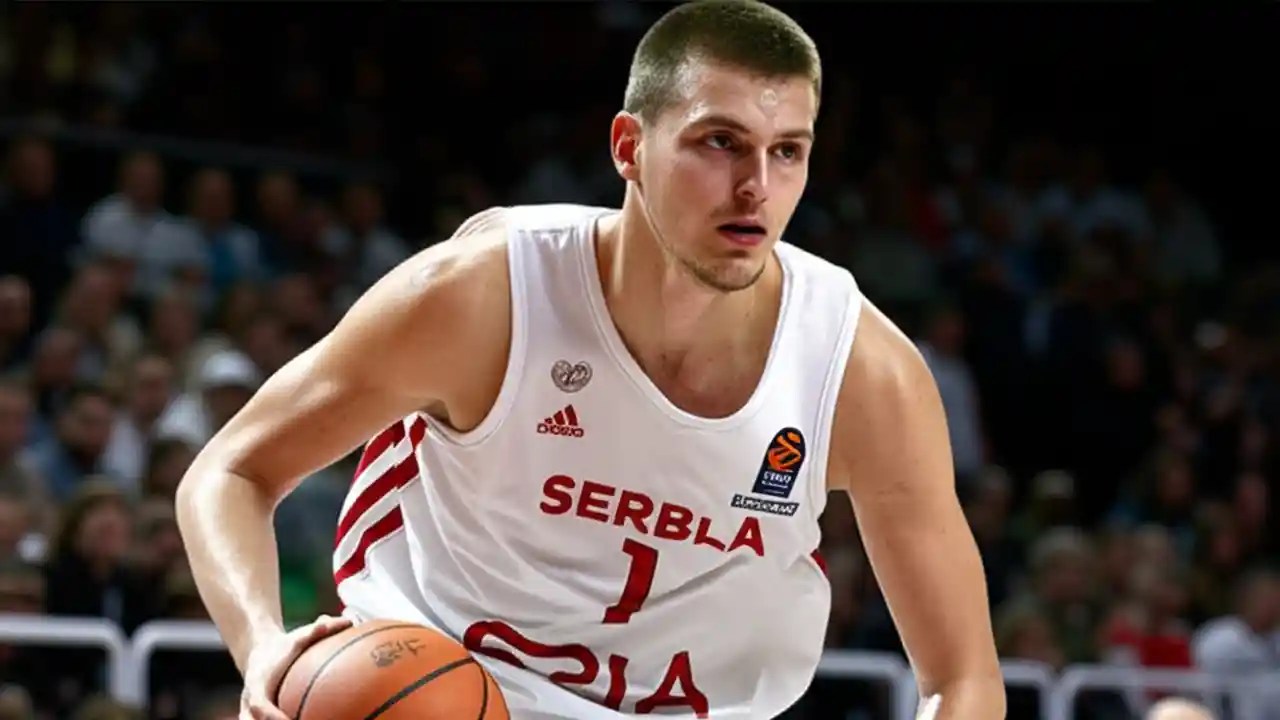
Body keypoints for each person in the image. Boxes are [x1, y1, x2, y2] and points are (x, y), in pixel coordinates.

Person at [175, 1, 1004, 718]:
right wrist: (262, 648)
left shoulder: (859, 370)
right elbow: (231, 473)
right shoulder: (482, 298)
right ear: (628, 147)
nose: (756, 185)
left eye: (787, 151)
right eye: (720, 142)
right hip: (444, 682)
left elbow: (963, 678)